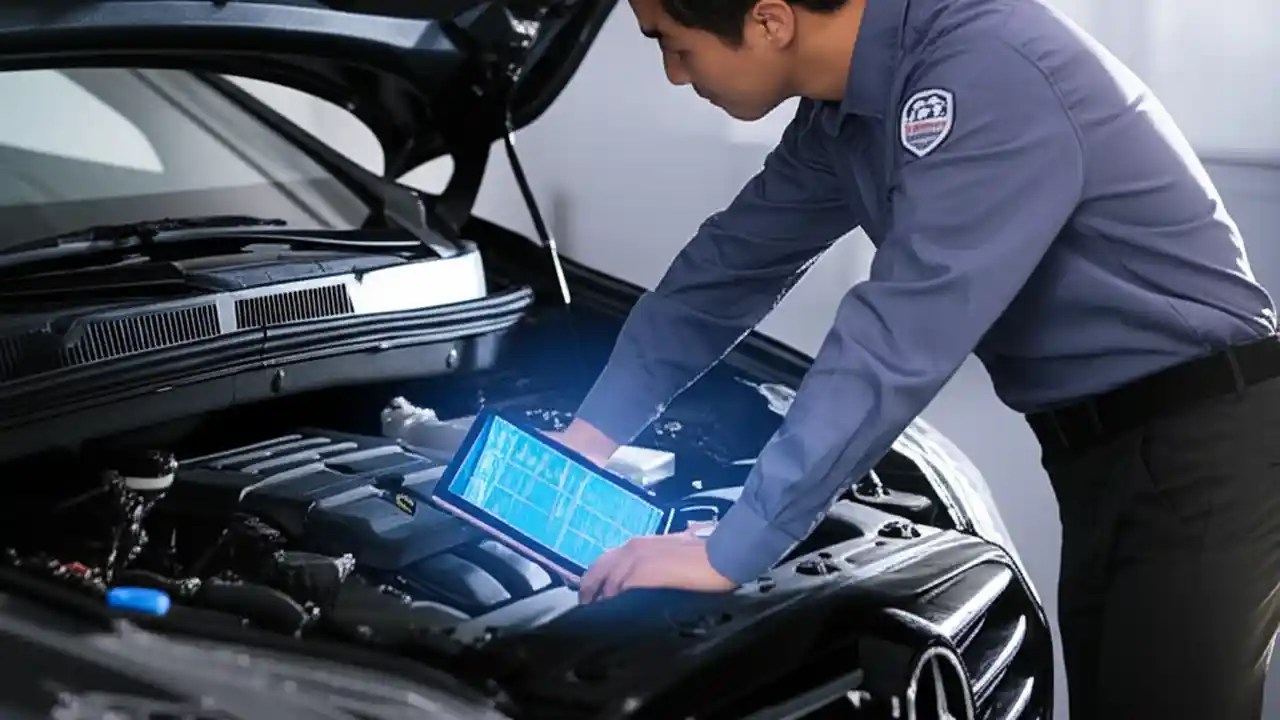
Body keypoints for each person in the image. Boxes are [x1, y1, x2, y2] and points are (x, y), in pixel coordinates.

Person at [551, 0, 1280, 716]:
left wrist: (732, 548)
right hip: (1109, 451)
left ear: (770, 21)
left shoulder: (984, 68)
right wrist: (589, 438)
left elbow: (898, 334)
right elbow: (730, 265)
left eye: (673, 45)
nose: (676, 75)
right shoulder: (849, 109)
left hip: (1204, 442)